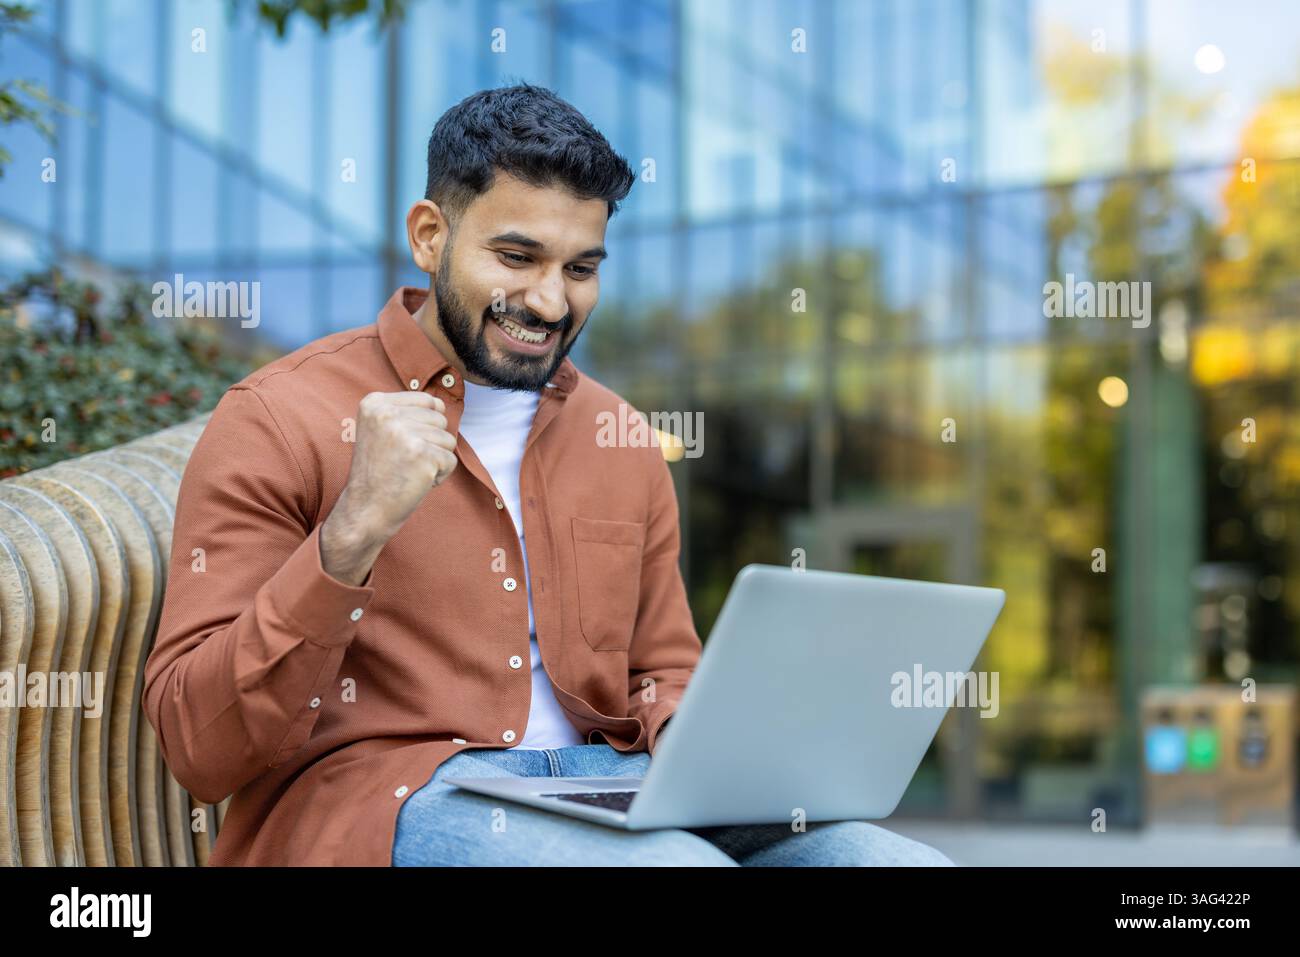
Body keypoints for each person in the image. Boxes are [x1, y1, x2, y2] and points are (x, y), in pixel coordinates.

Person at [143, 82, 954, 867]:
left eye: (580, 268)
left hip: (608, 784)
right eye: (517, 256)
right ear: (430, 235)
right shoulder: (278, 418)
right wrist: (350, 534)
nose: (551, 300)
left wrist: (710, 749)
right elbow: (198, 743)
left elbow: (662, 671)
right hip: (392, 797)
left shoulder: (620, 438)